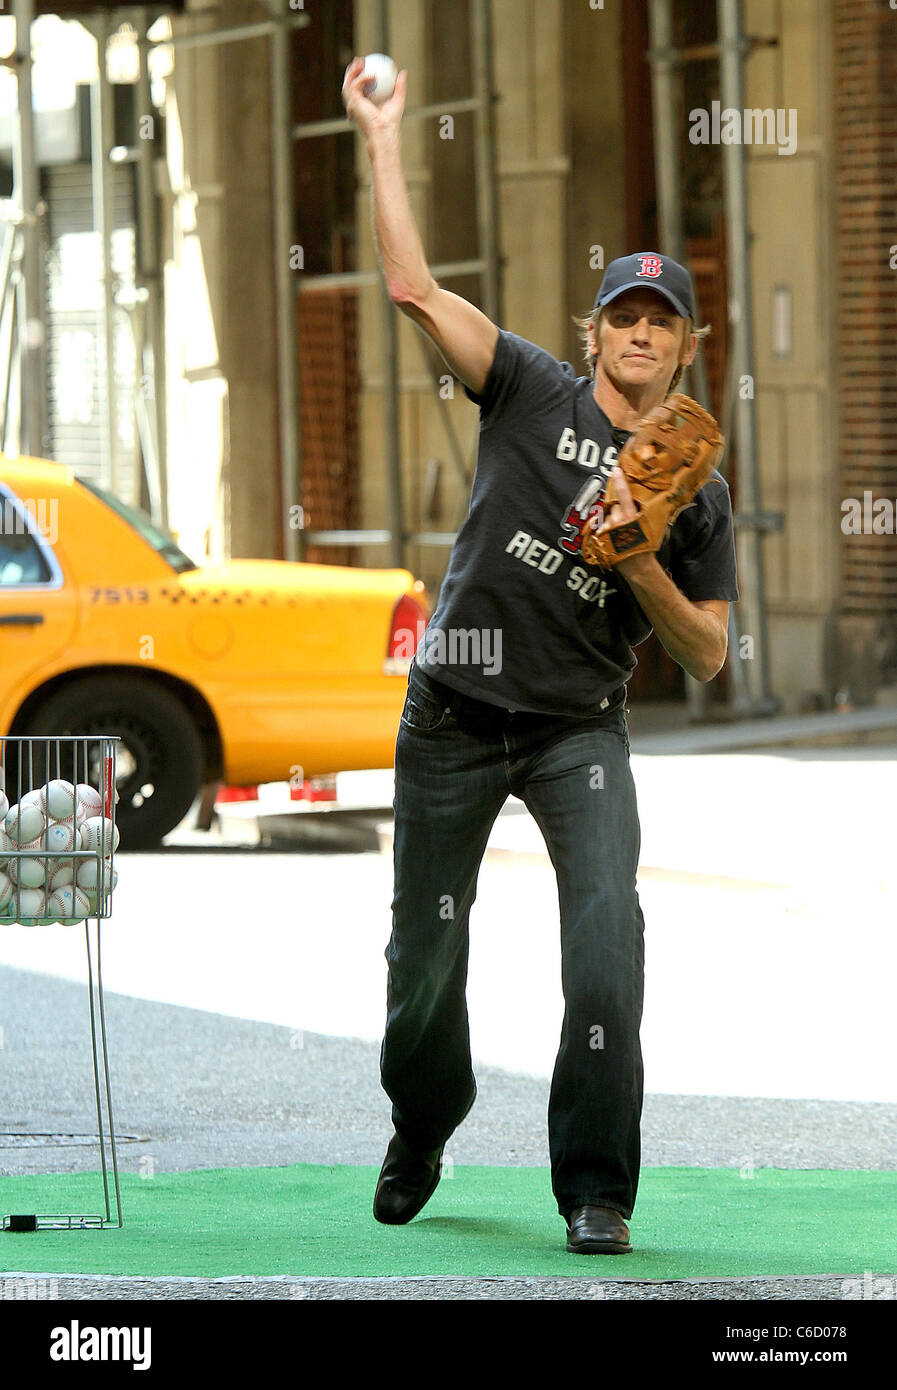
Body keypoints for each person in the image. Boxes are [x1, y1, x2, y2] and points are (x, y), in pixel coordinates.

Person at [342, 59, 738, 1254]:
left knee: (609, 943)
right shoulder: (524, 385)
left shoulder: (699, 494)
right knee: (426, 953)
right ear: (595, 330)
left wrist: (636, 561)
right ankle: (424, 1121)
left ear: (684, 349)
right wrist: (380, 133)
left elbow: (711, 654)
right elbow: (410, 286)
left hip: (578, 729)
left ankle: (596, 1186)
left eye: (661, 322)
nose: (639, 332)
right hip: (452, 714)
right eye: (624, 313)